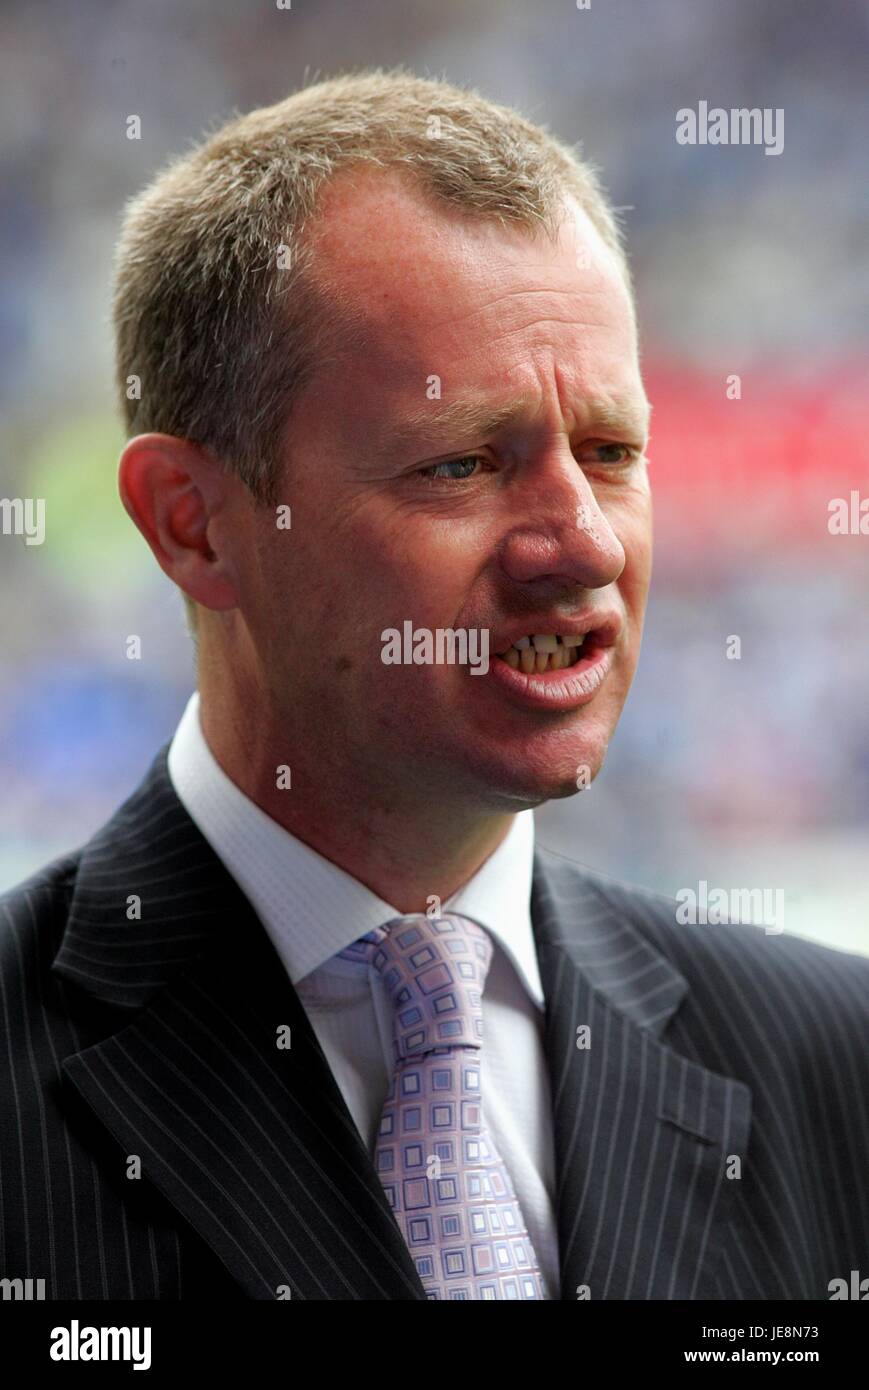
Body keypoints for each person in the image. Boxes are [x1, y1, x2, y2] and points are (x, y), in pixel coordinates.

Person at [1, 71, 866, 1302]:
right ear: (194, 524)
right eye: (462, 463)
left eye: (611, 453)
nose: (584, 544)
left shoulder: (835, 1067)